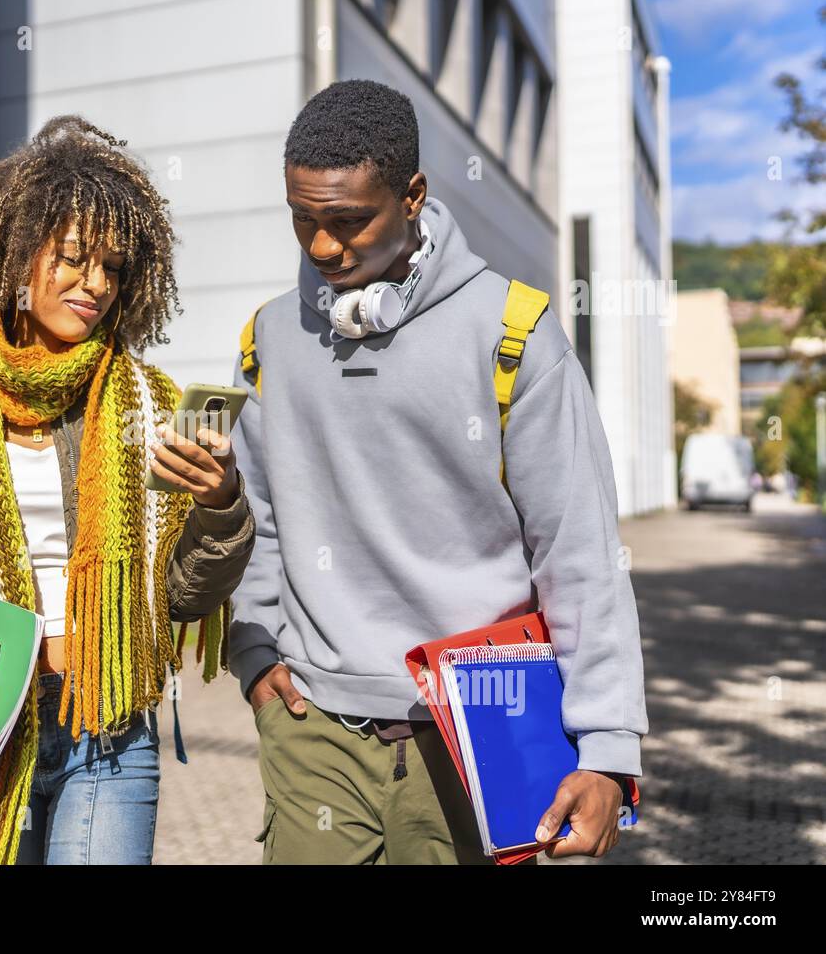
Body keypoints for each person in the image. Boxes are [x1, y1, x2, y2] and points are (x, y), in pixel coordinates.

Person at [227, 80, 648, 864]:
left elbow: (579, 551)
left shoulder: (512, 332)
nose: (322, 247)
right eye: (303, 219)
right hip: (312, 729)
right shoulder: (272, 338)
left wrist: (607, 748)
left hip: (479, 731)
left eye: (349, 221)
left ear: (413, 195)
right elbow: (263, 514)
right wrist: (256, 656)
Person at [0, 116, 254, 865]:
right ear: (11, 256)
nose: (95, 284)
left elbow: (184, 599)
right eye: (71, 258)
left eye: (114, 268)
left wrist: (221, 506)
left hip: (109, 725)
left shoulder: (153, 408)